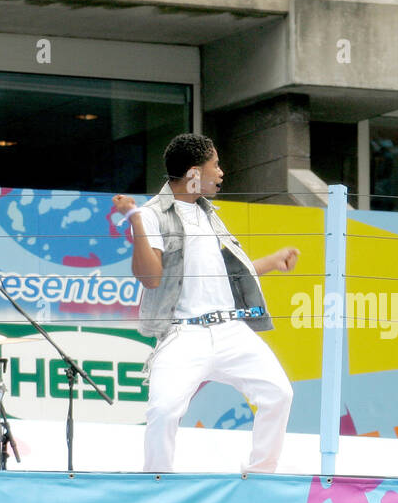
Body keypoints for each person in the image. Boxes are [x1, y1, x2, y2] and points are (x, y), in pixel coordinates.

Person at [112, 133, 299, 473]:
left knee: (279, 394)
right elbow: (150, 278)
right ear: (195, 173)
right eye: (216, 165)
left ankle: (261, 476)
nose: (222, 172)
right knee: (163, 411)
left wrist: (270, 263)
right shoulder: (153, 214)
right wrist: (135, 220)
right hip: (186, 334)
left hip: (231, 330)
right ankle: (157, 483)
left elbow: (219, 278)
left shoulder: (210, 214)